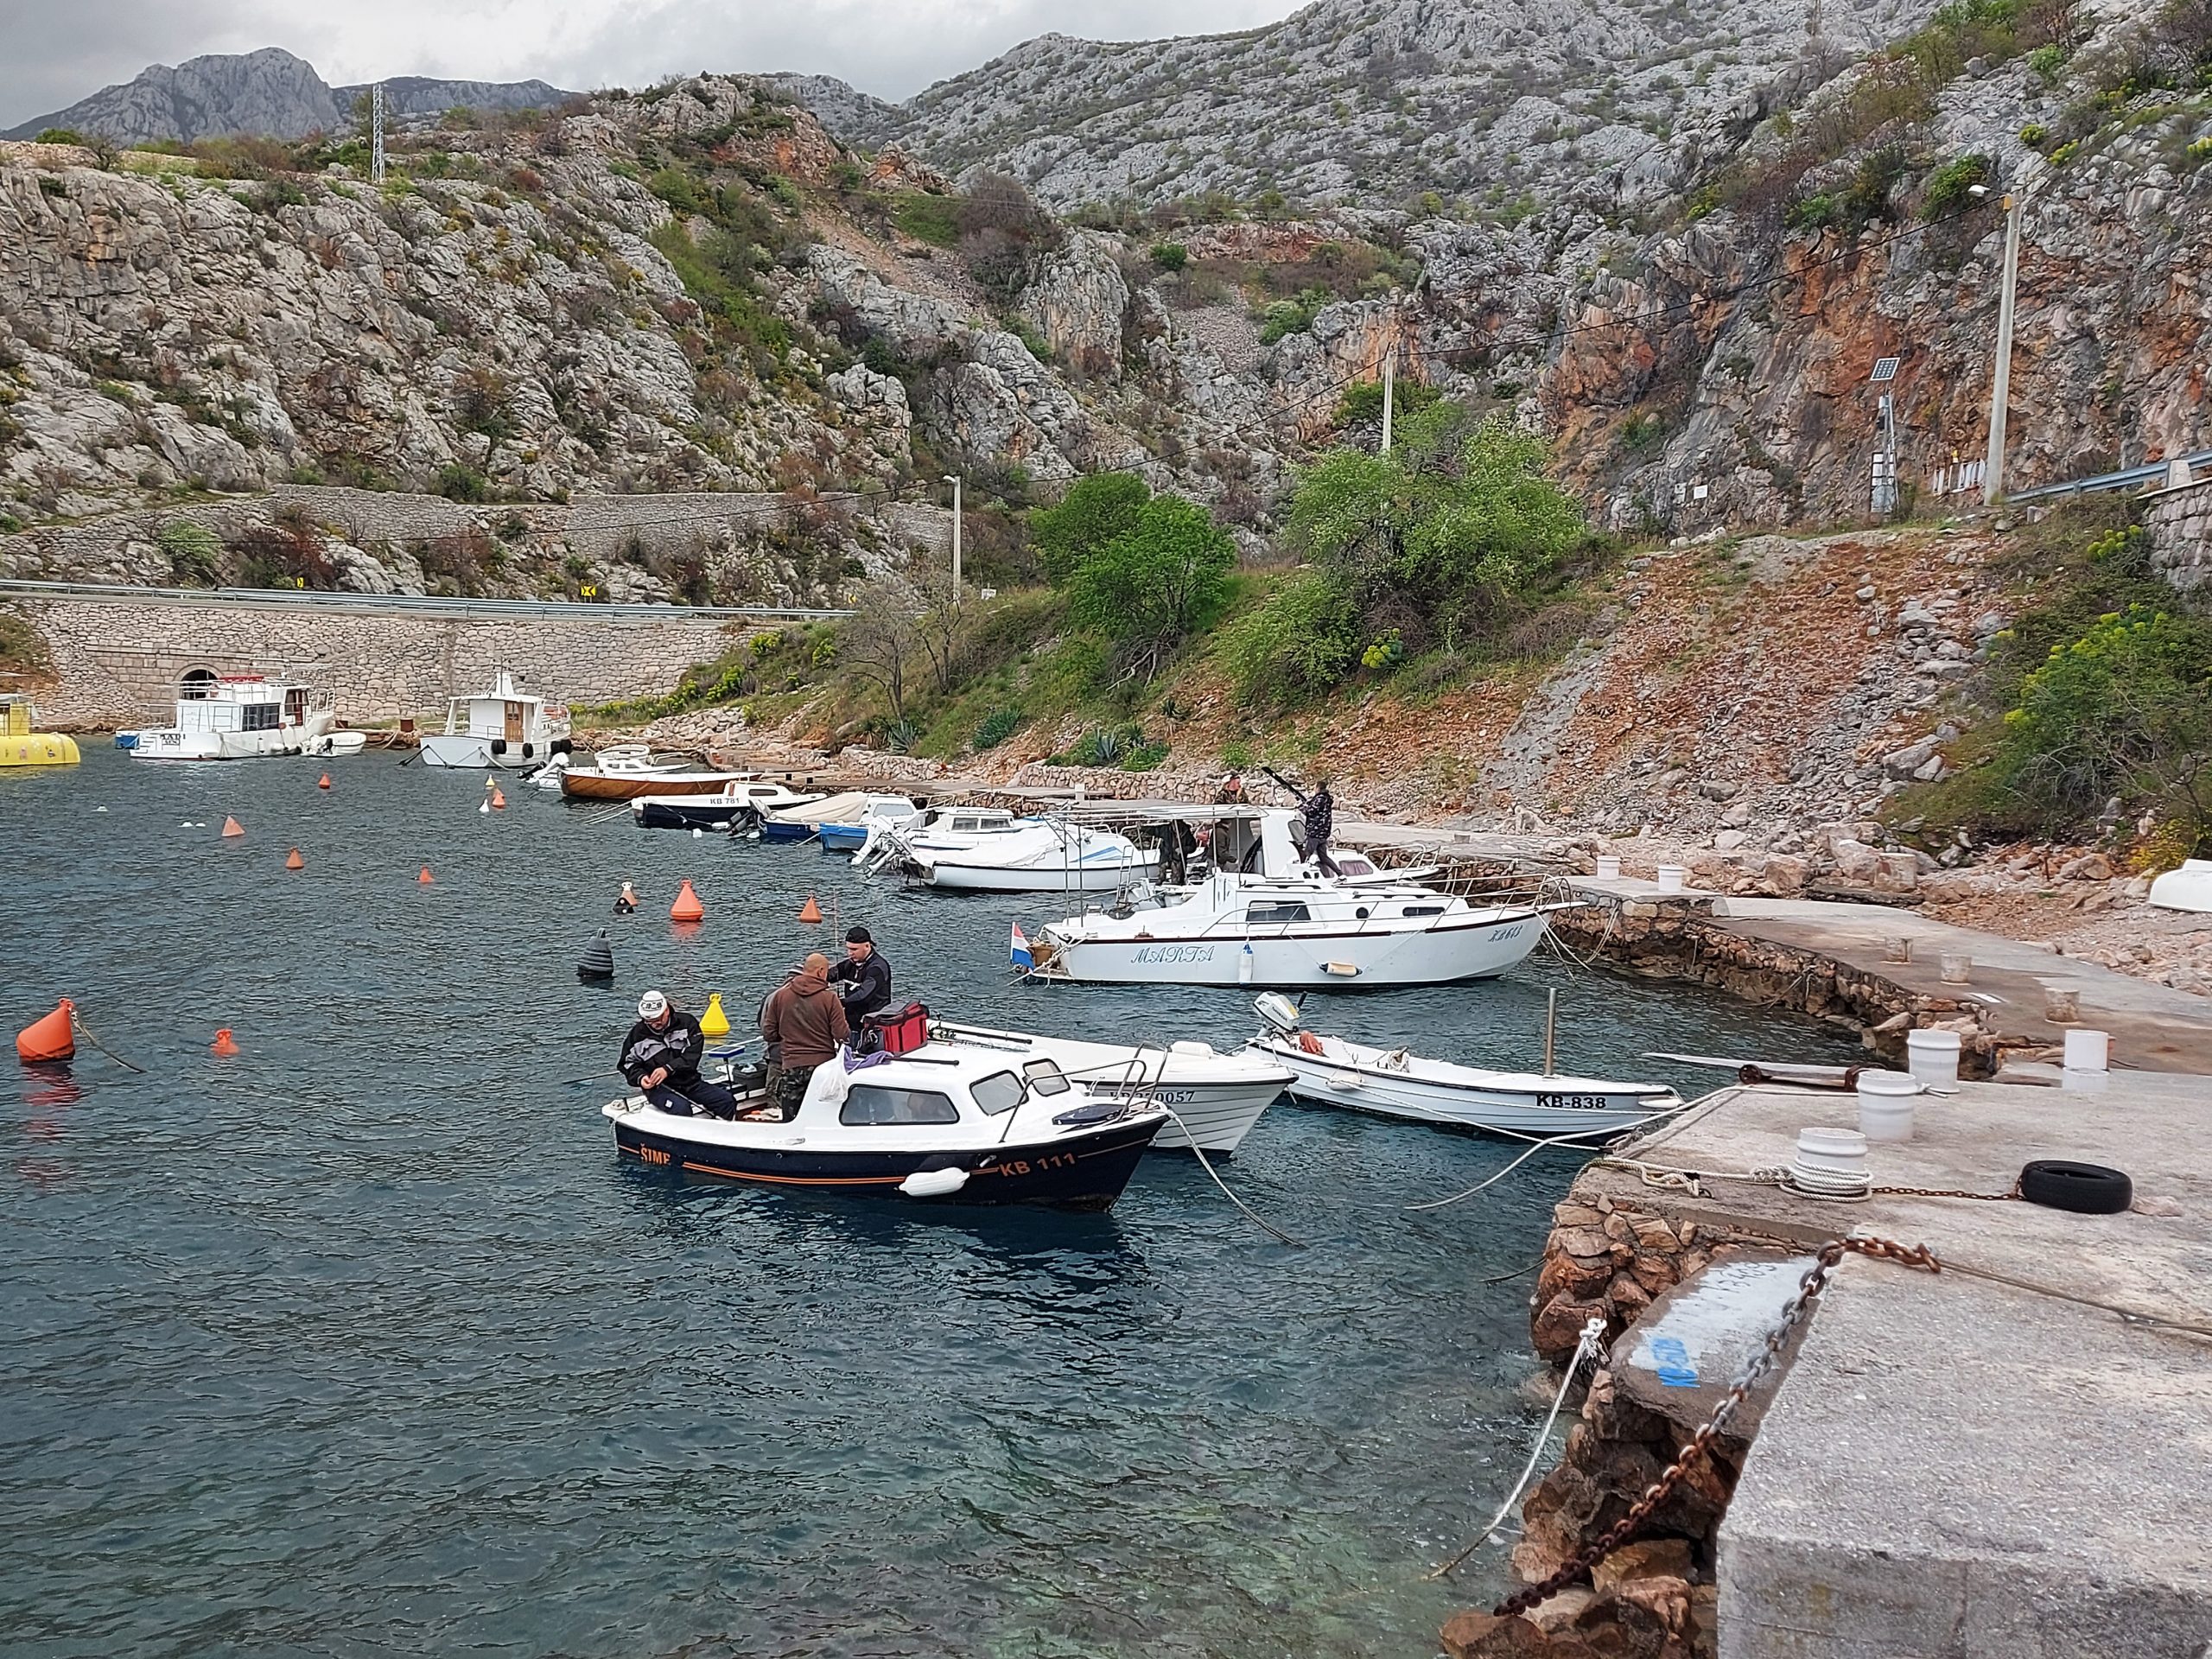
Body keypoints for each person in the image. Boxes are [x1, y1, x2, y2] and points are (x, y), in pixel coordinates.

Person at [760, 953, 850, 1120]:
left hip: (791, 1065)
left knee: (791, 1118)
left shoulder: (780, 996)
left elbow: (769, 1034)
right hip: (822, 1067)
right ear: (820, 971)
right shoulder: (830, 998)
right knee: (822, 1116)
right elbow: (841, 1035)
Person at [619, 990, 736, 1118]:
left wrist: (667, 1069)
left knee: (726, 1100)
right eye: (649, 1021)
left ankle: (723, 1127)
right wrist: (641, 1078)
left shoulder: (687, 1023)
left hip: (690, 1082)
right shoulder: (636, 1035)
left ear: (666, 1011)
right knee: (681, 1109)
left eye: (658, 1019)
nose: (655, 1024)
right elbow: (627, 1064)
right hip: (659, 1088)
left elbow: (692, 1056)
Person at [1277, 769, 1344, 878]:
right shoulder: (1326, 799)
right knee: (1324, 858)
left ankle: (1301, 877)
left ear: (1318, 788)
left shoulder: (1320, 799)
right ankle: (1341, 875)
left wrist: (1300, 806)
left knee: (1305, 855)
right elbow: (1316, 809)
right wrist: (1308, 803)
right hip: (1323, 834)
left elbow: (1310, 811)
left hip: (1315, 833)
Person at [827, 925, 894, 1028]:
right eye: (848, 949)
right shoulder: (849, 965)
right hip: (851, 1023)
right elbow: (830, 975)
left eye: (854, 949)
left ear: (867, 946)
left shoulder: (877, 968)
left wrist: (838, 1003)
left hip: (872, 1025)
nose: (850, 953)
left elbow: (863, 995)